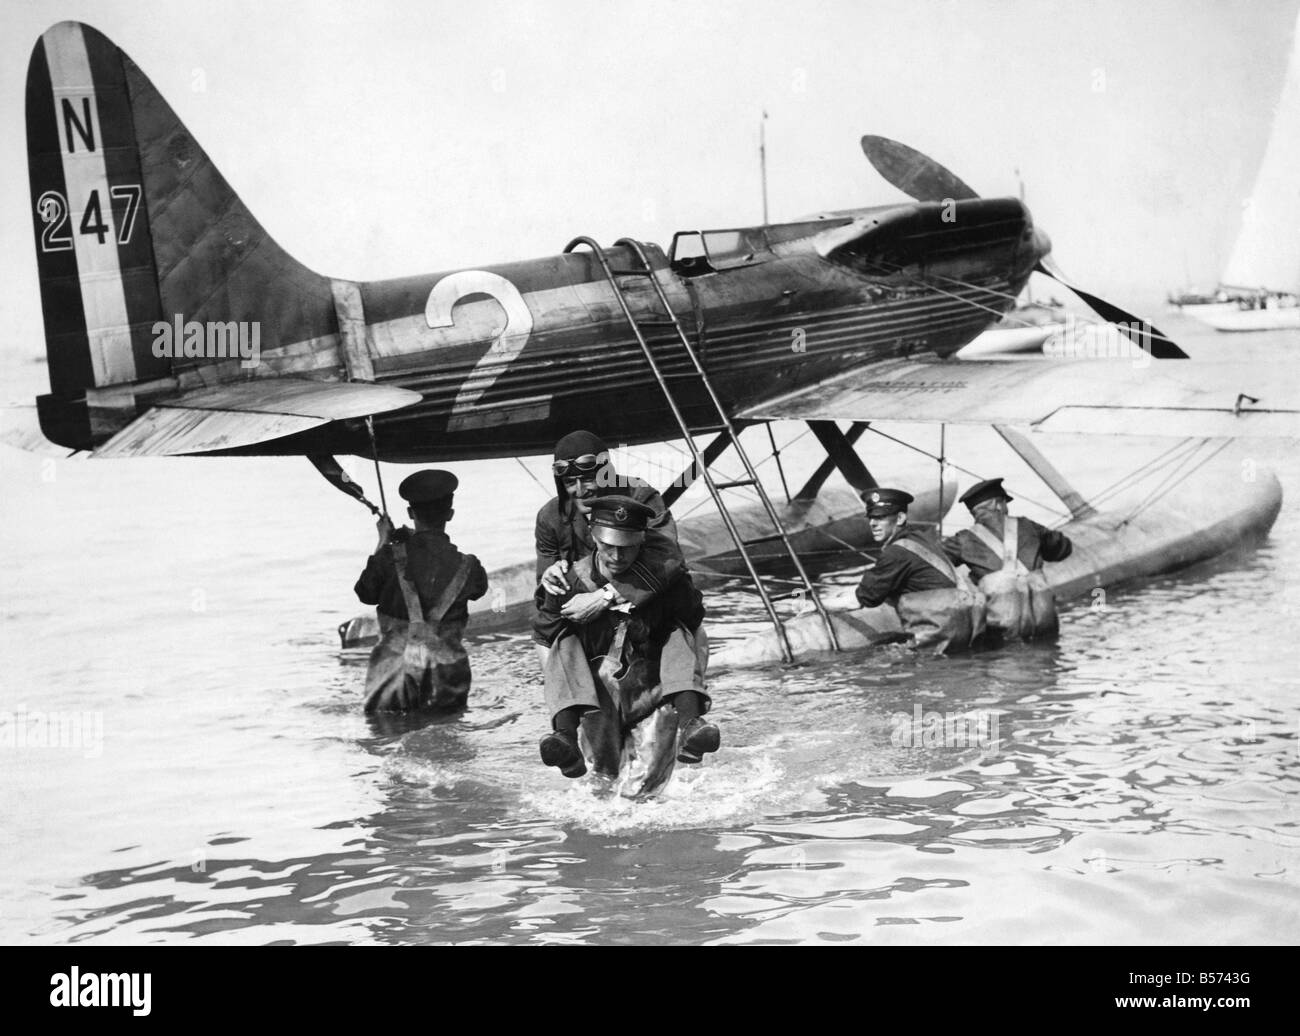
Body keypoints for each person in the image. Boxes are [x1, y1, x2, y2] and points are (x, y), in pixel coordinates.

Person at [534, 496, 718, 779]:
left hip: (656, 686)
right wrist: (562, 703)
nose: (617, 557)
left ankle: (691, 722)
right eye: (609, 546)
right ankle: (564, 736)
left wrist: (694, 689)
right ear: (594, 537)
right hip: (597, 693)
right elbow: (545, 641)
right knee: (603, 777)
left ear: (642, 540)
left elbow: (695, 630)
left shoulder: (667, 581)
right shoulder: (568, 582)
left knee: (650, 784)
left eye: (627, 547)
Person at [533, 429, 707, 704]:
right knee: (550, 630)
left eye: (588, 479)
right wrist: (550, 576)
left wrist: (605, 596)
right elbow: (545, 583)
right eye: (569, 483)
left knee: (681, 606)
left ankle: (688, 704)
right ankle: (569, 709)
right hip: (594, 623)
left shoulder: (640, 495)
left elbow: (668, 558)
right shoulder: (550, 517)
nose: (581, 491)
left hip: (646, 606)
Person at [354, 470, 489, 712]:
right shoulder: (470, 567)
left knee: (384, 729)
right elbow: (479, 589)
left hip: (391, 672)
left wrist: (384, 541)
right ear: (450, 514)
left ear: (410, 513)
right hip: (447, 673)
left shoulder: (388, 557)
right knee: (447, 731)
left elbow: (365, 593)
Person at [854, 487, 983, 654]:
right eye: (871, 518)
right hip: (963, 627)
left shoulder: (896, 552)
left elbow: (867, 597)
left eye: (880, 517)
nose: (872, 523)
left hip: (940, 634)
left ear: (900, 518)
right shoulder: (921, 539)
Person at [942, 478, 1072, 641]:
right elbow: (1061, 549)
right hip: (1045, 627)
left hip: (1003, 636)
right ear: (998, 505)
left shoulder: (963, 540)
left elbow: (935, 564)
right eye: (1005, 503)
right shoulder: (1029, 526)